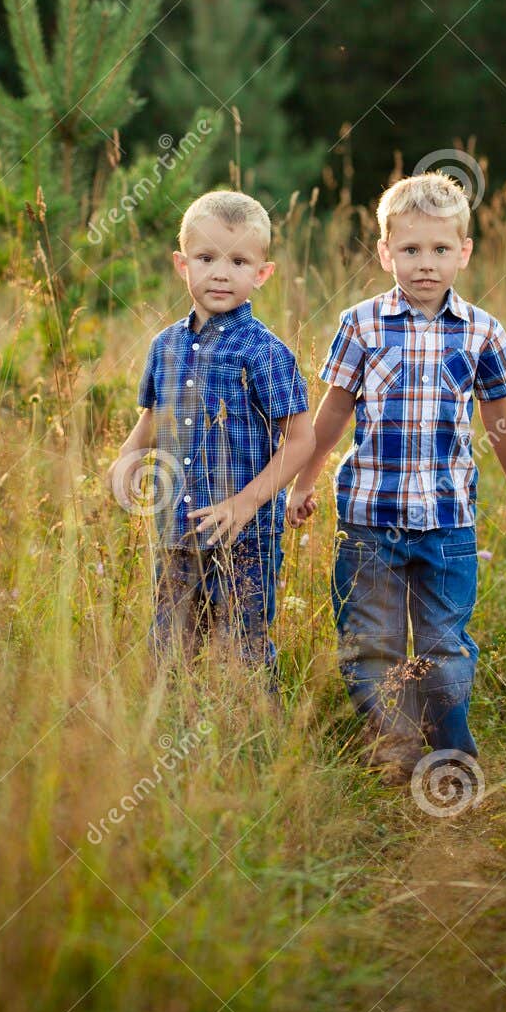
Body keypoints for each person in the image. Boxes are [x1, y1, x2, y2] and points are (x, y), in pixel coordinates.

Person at [287, 171, 506, 780]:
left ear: (464, 252)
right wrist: (303, 482)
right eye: (410, 249)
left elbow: (499, 415)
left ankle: (450, 752)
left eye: (439, 250)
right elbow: (333, 411)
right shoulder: (362, 324)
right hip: (370, 515)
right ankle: (394, 748)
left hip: (448, 519)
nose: (425, 264)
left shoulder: (482, 330)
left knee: (443, 646)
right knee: (371, 641)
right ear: (385, 252)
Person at [108, 190, 313, 693]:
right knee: (170, 645)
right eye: (206, 258)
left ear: (261, 273)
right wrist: (125, 461)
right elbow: (153, 418)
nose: (221, 273)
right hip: (175, 526)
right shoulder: (166, 345)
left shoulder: (264, 352)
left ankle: (255, 742)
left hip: (245, 536)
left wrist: (247, 504)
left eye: (238, 261)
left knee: (242, 648)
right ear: (183, 265)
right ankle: (173, 739)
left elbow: (301, 439)